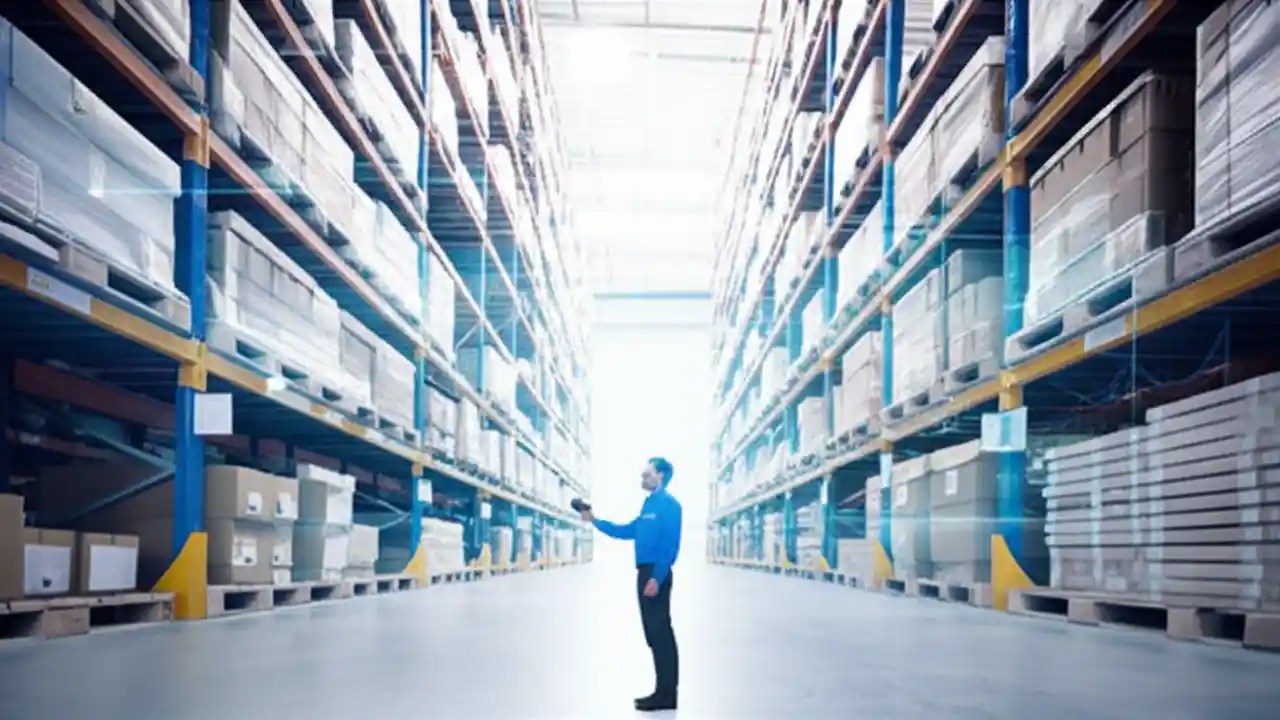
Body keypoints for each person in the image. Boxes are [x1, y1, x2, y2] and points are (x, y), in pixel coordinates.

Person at [579, 457, 683, 712]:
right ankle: (661, 692)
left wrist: (656, 578)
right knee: (652, 634)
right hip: (644, 572)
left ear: (661, 475)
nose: (642, 477)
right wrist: (595, 520)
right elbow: (626, 531)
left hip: (655, 574)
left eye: (647, 474)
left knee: (661, 634)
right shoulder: (649, 505)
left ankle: (667, 695)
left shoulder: (670, 505)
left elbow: (670, 546)